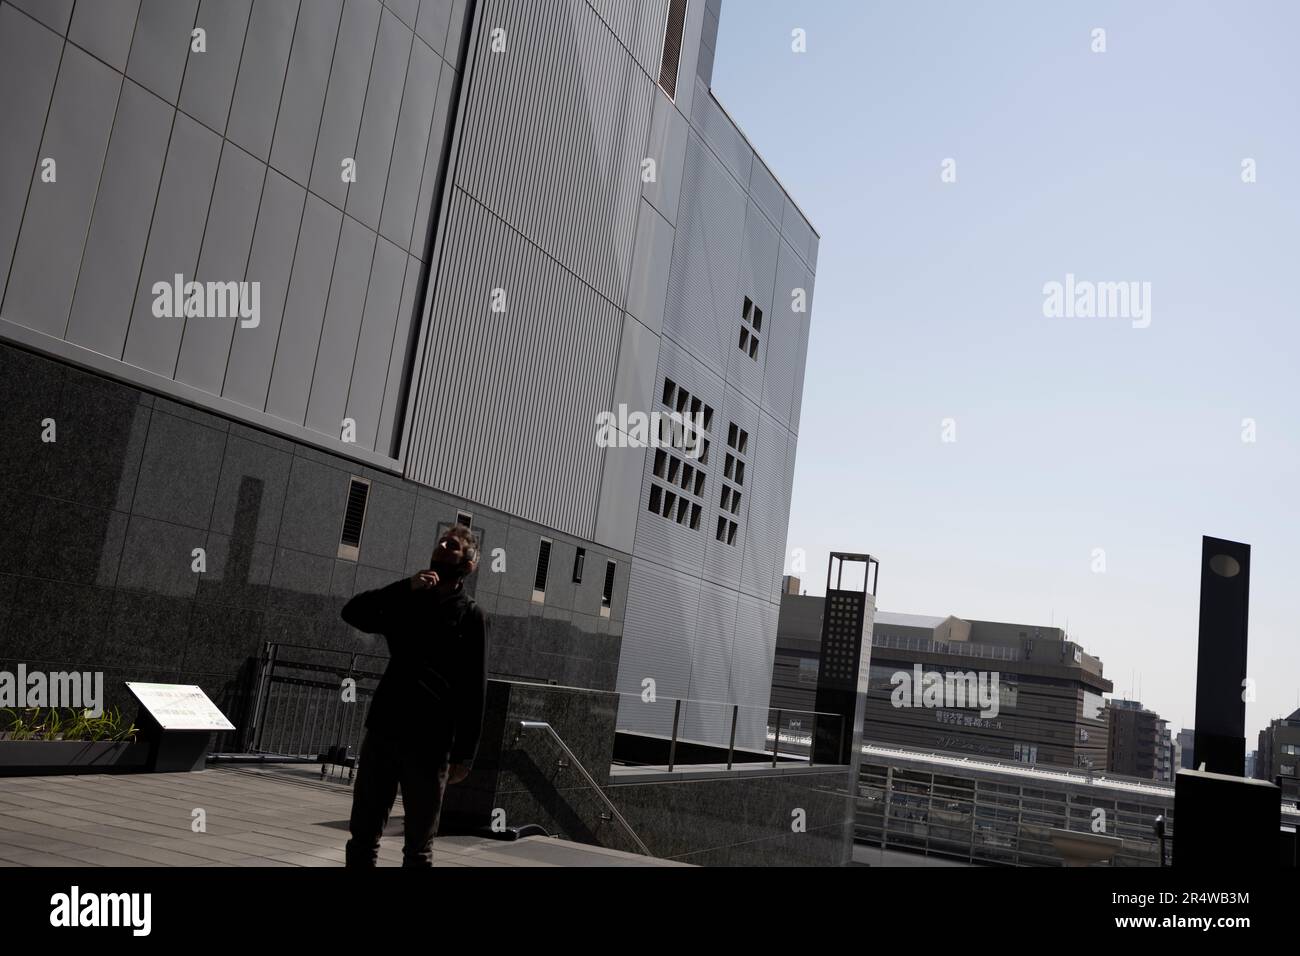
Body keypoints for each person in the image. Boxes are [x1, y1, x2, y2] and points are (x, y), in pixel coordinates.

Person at [340, 524, 488, 867]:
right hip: (385, 730)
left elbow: (474, 688)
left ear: (468, 564)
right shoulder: (408, 600)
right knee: (363, 833)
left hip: (431, 741)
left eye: (451, 545)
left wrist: (464, 754)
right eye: (440, 541)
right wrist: (405, 586)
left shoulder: (471, 616)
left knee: (418, 844)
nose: (442, 546)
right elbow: (354, 612)